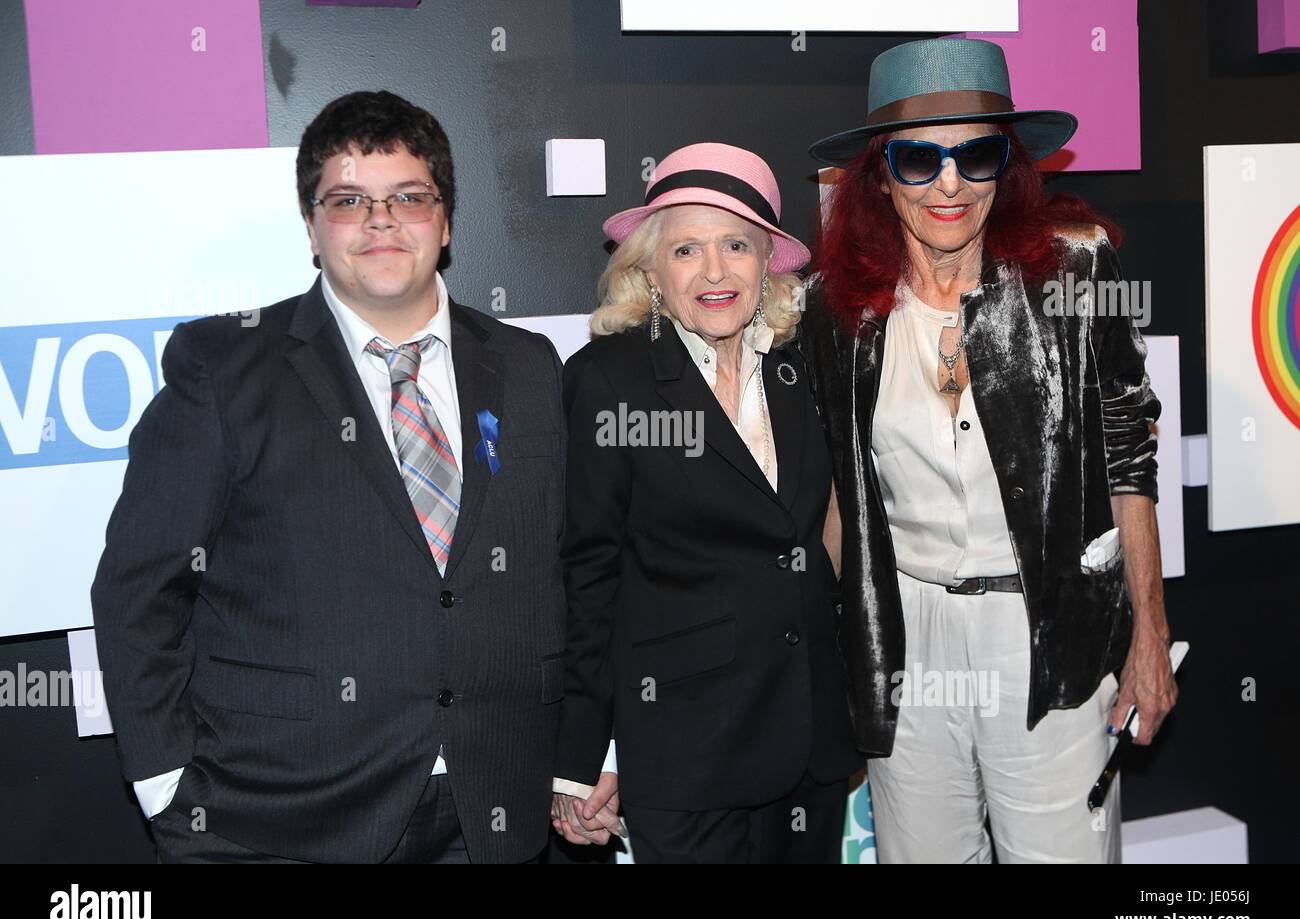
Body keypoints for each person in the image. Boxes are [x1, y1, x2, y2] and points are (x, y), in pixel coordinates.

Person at [91, 90, 567, 863]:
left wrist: (583, 753)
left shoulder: (528, 366)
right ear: (313, 228)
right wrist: (164, 783)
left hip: (496, 804)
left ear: (445, 222)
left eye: (409, 197)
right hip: (282, 817)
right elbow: (139, 589)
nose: (382, 221)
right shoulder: (223, 366)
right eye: (349, 201)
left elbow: (564, 570)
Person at [802, 38, 1177, 863]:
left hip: (1048, 634)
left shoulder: (1077, 274)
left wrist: (1149, 634)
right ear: (878, 173)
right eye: (917, 157)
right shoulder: (837, 313)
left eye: (975, 154)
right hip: (906, 638)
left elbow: (1129, 462)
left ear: (1006, 165)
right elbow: (830, 490)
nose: (949, 183)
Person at [551, 143, 862, 863]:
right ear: (651, 270)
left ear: (767, 263)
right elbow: (586, 575)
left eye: (736, 245)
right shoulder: (608, 381)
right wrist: (582, 749)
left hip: (806, 736)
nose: (715, 271)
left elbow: (824, 528)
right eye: (687, 248)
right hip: (684, 751)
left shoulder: (800, 365)